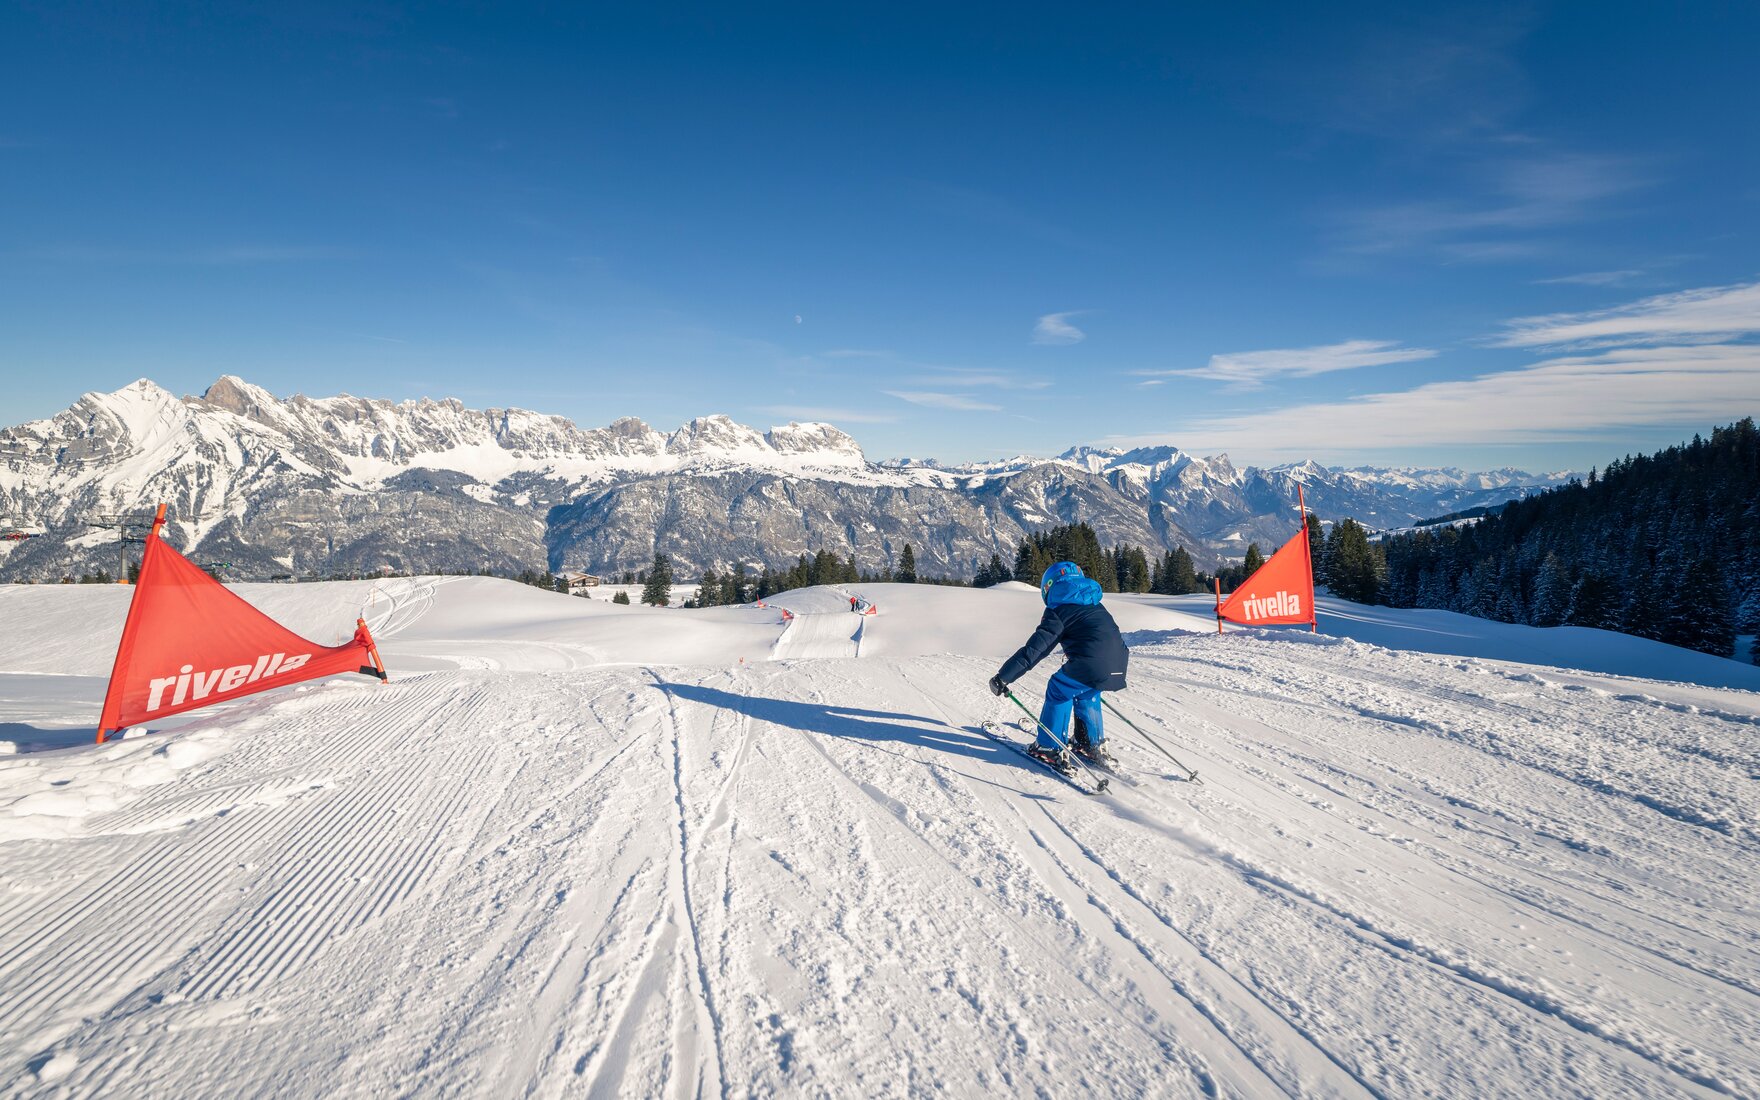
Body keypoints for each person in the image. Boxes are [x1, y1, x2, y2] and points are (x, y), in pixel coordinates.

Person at [988, 561, 1128, 769]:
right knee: (1086, 691)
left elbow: (1035, 650)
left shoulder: (1060, 608)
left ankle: (1048, 748)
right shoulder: (1094, 603)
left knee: (1059, 689)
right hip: (1119, 662)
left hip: (1091, 664)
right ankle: (1090, 743)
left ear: (1048, 587)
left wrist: (1004, 677)